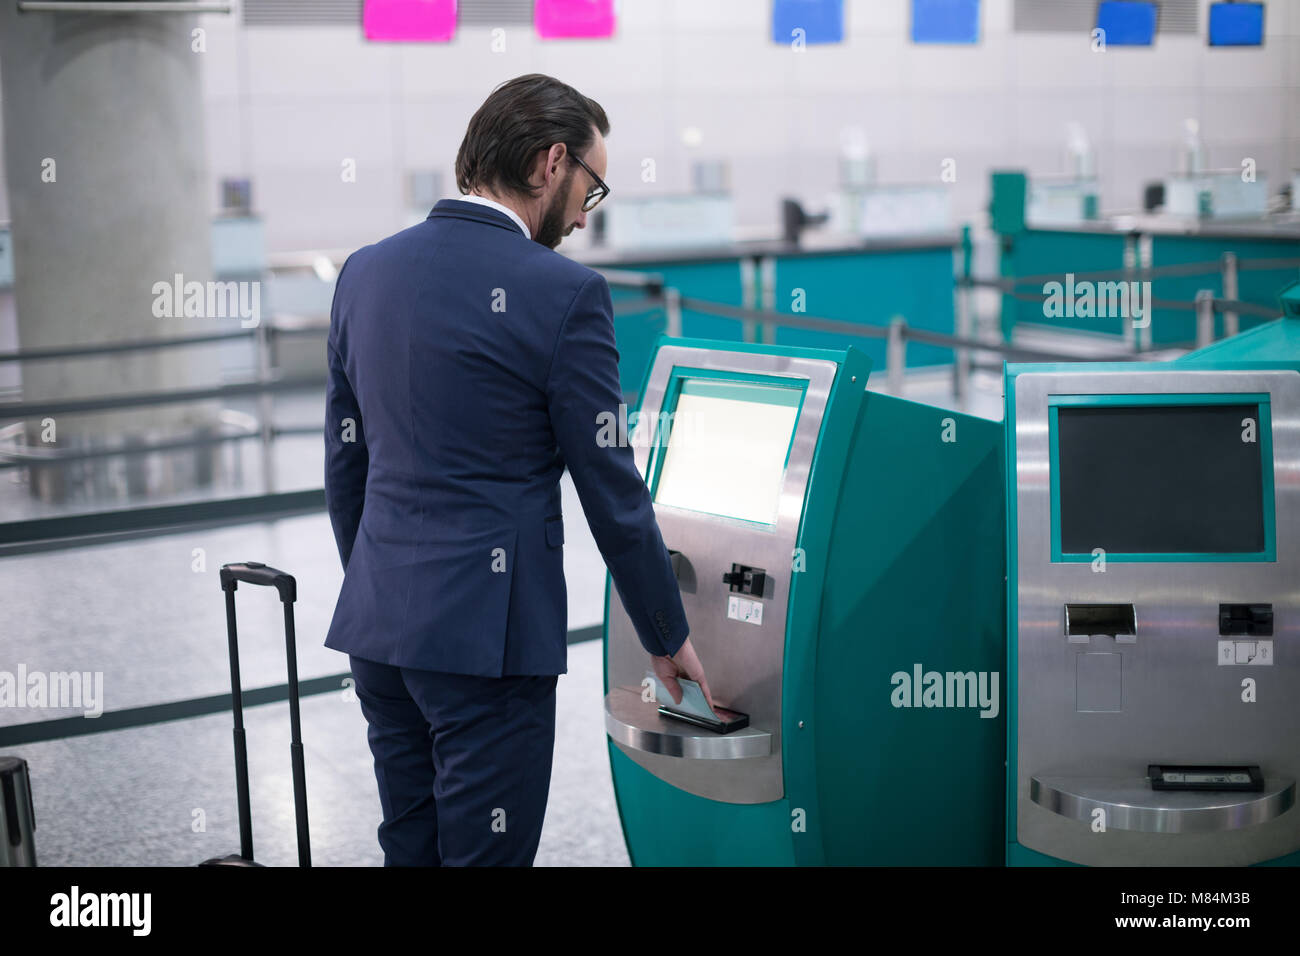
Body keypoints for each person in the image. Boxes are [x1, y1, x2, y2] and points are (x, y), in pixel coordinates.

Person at [323, 73, 712, 866]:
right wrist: (665, 632)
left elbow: (345, 460)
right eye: (589, 188)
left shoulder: (364, 272)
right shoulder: (563, 294)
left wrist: (381, 583)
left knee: (412, 845)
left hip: (381, 629)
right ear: (551, 162)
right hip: (486, 643)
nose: (581, 216)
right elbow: (609, 485)